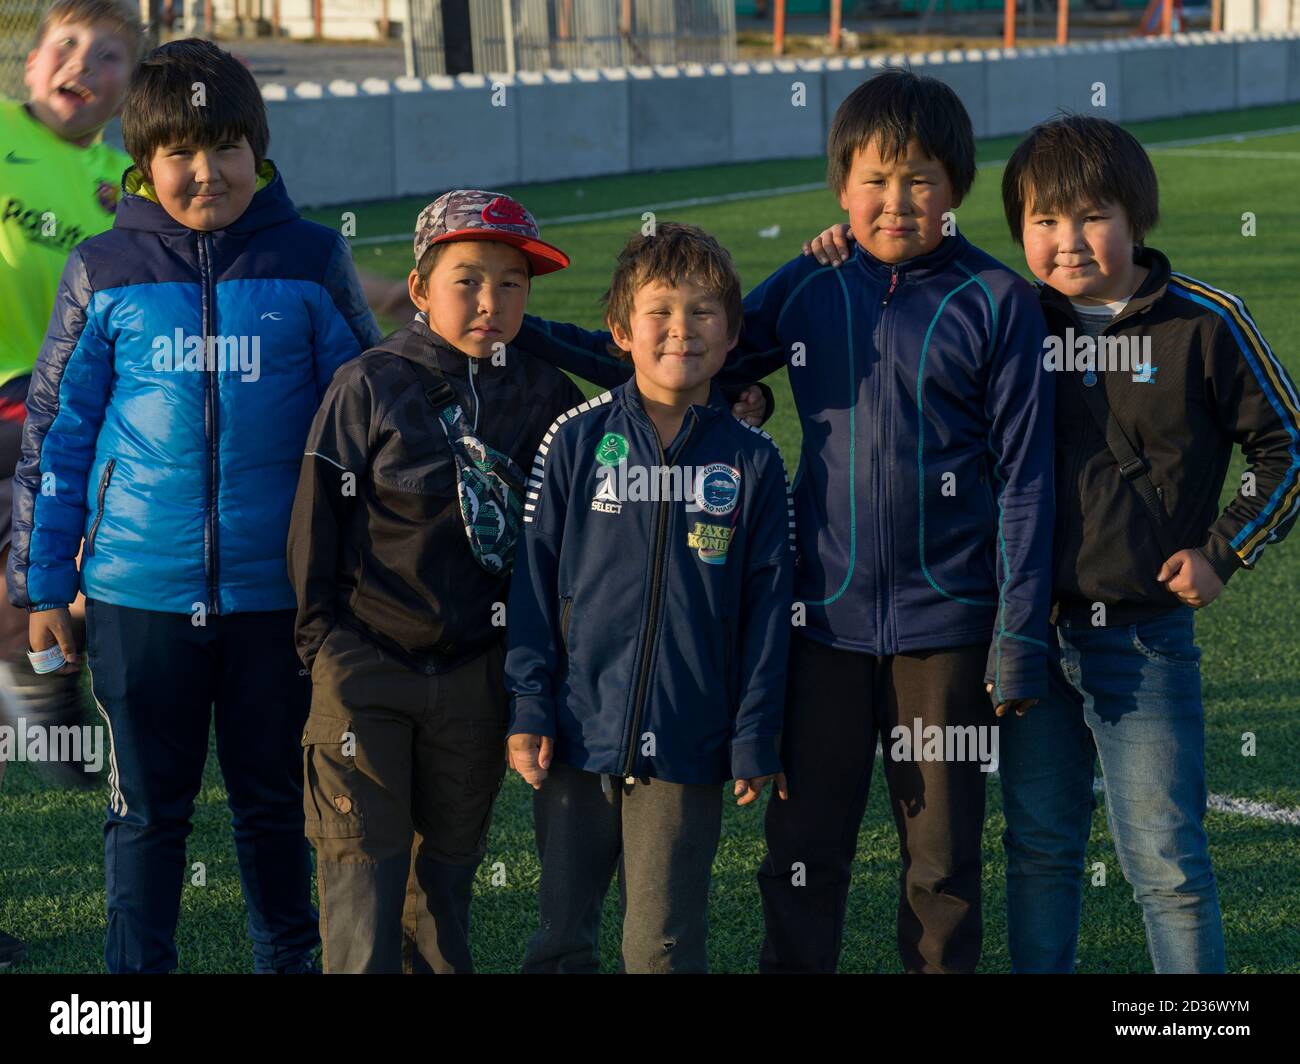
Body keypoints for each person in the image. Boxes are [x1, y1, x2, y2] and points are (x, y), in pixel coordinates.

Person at [508, 71, 1056, 973]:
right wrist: (521, 328)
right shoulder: (812, 282)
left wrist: (1019, 635)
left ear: (955, 185)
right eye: (873, 180)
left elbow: (1028, 480)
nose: (895, 201)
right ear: (841, 187)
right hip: (821, 626)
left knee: (943, 866)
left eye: (919, 179)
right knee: (803, 859)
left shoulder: (997, 302)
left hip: (949, 631)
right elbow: (688, 353)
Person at [803, 114, 1300, 974]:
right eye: (1043, 221)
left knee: (1165, 862)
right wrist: (840, 251)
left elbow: (1286, 446)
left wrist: (1223, 551)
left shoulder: (1205, 321)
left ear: (1136, 217)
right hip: (1021, 637)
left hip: (1142, 641)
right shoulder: (1006, 309)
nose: (1068, 243)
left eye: (1092, 217)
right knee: (1039, 851)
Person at [7, 38, 381, 974]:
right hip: (138, 598)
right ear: (142, 164)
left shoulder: (310, 258)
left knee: (272, 808)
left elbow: (369, 428)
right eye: (180, 153)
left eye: (225, 149)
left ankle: (286, 963)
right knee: (146, 813)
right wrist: (42, 583)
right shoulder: (102, 268)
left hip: (277, 601)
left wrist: (362, 573)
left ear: (259, 151)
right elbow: (56, 436)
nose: (205, 173)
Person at [287, 189, 586, 973]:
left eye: (513, 282)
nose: (491, 301)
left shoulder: (548, 391)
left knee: (444, 889)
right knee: (361, 878)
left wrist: (743, 396)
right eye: (467, 279)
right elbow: (316, 523)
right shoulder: (371, 382)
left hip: (477, 673)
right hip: (366, 664)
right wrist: (325, 650)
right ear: (419, 289)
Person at [505, 222, 796, 972]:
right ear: (620, 331)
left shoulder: (754, 462)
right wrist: (532, 705)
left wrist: (753, 733)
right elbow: (534, 583)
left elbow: (769, 610)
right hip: (575, 732)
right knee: (561, 936)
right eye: (659, 310)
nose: (681, 330)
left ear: (733, 336)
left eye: (703, 313)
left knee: (662, 945)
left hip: (690, 740)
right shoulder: (575, 441)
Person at [0, 0, 145, 968]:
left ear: (131, 88)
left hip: (50, 425)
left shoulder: (121, 183)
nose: (81, 65)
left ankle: (33, 667)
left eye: (108, 56)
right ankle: (31, 671)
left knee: (50, 583)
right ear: (28, 60)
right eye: (66, 45)